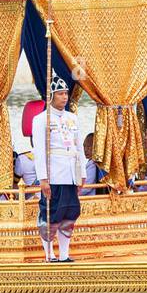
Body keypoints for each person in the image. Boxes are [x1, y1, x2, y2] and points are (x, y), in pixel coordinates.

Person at [32, 77, 84, 263]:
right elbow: (39, 151)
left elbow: (79, 147)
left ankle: (64, 254)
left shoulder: (73, 118)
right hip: (54, 174)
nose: (65, 97)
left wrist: (82, 174)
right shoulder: (40, 120)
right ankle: (49, 254)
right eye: (60, 94)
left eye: (66, 93)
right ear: (51, 96)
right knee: (52, 213)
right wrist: (43, 179)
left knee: (70, 213)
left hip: (70, 174)